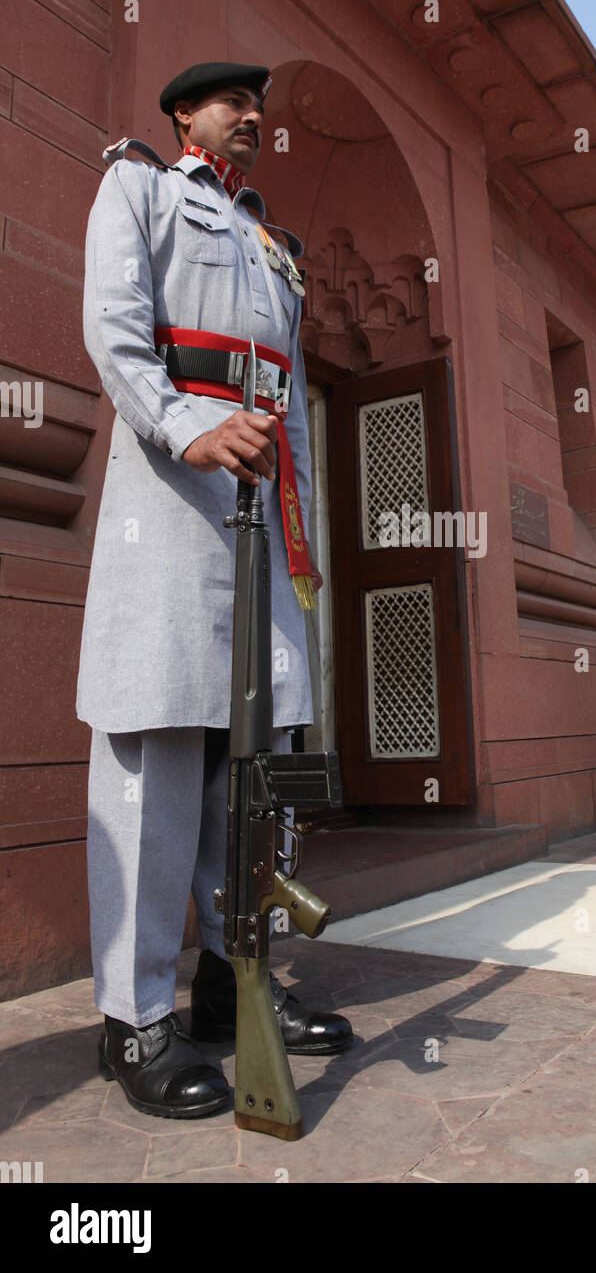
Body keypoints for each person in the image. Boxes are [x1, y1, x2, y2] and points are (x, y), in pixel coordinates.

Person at [78, 62, 353, 1121]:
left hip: (261, 517)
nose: (250, 118)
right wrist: (190, 428)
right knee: (158, 750)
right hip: (170, 500)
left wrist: (302, 542)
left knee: (254, 761)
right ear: (185, 114)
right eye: (229, 103)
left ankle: (232, 981)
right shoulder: (141, 189)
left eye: (258, 109)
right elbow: (115, 330)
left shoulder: (272, 244)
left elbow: (281, 401)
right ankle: (133, 1014)